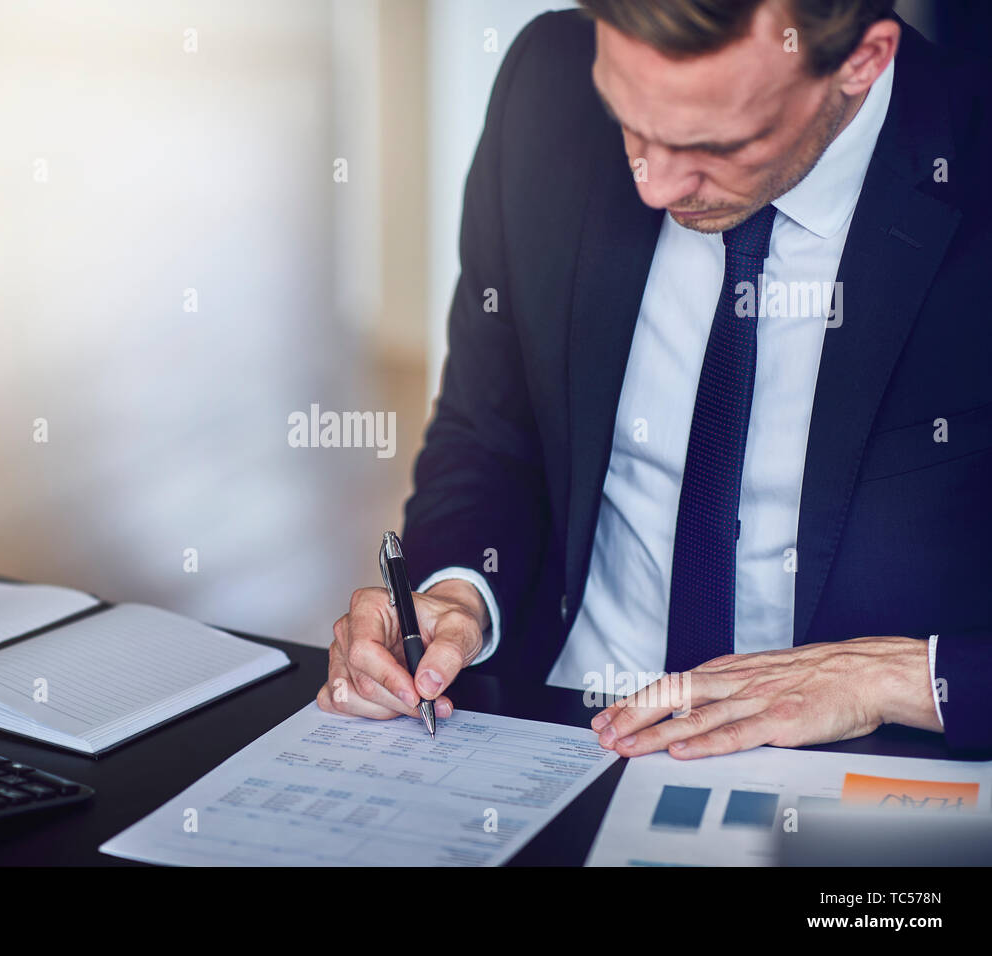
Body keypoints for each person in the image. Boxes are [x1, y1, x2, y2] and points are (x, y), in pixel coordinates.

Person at [317, 0, 992, 756]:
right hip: (555, 730)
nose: (655, 186)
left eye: (714, 142)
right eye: (628, 118)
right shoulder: (550, 81)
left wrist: (906, 679)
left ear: (862, 61)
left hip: (866, 776)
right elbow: (493, 433)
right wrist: (455, 592)